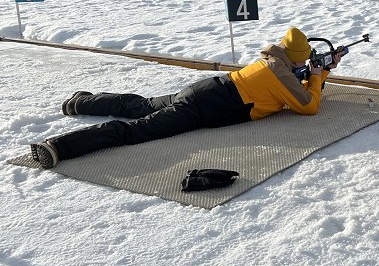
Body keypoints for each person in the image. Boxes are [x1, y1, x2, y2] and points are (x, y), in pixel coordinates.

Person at [29, 26, 341, 170]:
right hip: (204, 107)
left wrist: (319, 73)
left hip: (205, 90)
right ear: (297, 59)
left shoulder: (274, 62)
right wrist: (317, 75)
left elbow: (301, 91)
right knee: (137, 130)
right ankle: (59, 146)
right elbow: (308, 105)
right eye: (305, 62)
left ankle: (82, 102)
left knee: (142, 105)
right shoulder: (282, 75)